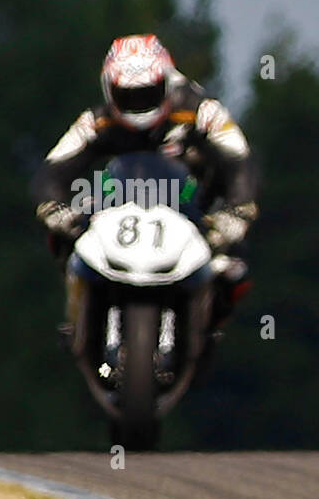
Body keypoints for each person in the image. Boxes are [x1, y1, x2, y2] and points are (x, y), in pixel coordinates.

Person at [31, 33, 258, 324]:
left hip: (191, 197)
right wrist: (53, 208)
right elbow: (55, 167)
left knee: (235, 264)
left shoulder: (200, 110)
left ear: (166, 82)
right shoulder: (96, 119)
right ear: (108, 89)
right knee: (62, 233)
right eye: (128, 95)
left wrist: (237, 209)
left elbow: (239, 158)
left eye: (148, 93)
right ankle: (78, 308)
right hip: (115, 196)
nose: (138, 104)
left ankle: (210, 320)